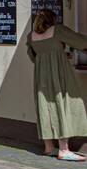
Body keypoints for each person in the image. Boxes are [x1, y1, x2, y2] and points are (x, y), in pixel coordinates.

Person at [27, 9, 87, 161]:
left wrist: (56, 54)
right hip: (59, 74)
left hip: (41, 77)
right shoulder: (58, 30)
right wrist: (60, 55)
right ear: (52, 19)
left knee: (44, 107)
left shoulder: (31, 37)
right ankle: (64, 149)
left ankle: (48, 147)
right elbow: (81, 42)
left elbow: (33, 57)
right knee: (62, 104)